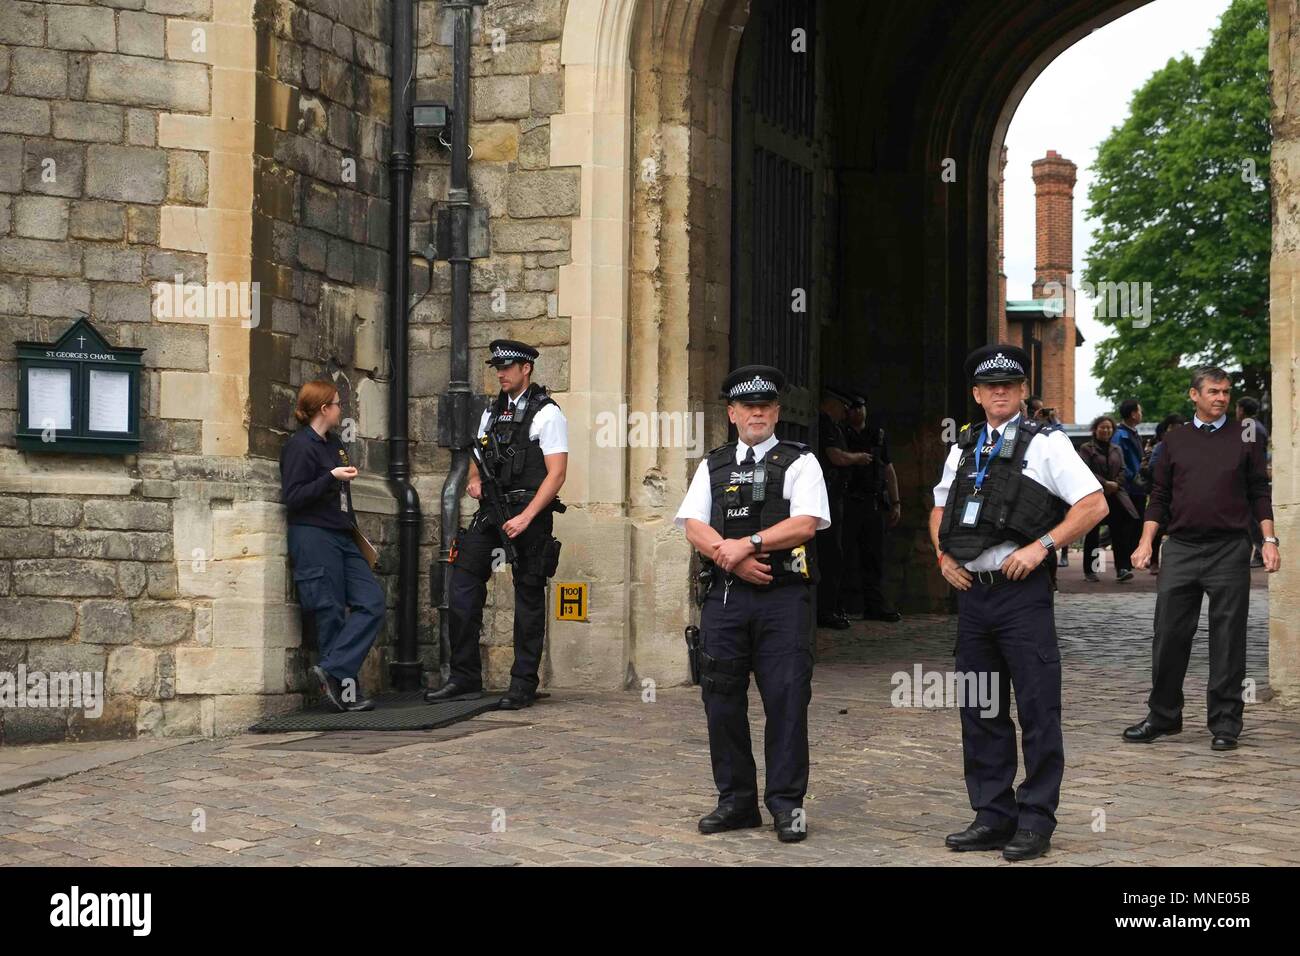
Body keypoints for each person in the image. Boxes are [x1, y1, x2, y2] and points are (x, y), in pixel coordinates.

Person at [931, 344, 1106, 861]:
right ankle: (992, 814)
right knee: (981, 708)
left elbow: (1092, 504)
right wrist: (942, 557)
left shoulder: (1046, 445)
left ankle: (1035, 820)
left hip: (1021, 596)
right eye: (990, 386)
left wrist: (1042, 546)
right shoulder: (963, 448)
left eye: (1010, 384)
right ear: (977, 395)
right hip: (974, 598)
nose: (1000, 392)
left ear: (1023, 391)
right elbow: (939, 506)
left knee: (1036, 707)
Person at [675, 364, 829, 842]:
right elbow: (692, 524)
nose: (756, 412)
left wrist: (751, 542)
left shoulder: (800, 461)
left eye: (765, 405)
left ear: (777, 411)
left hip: (783, 600)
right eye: (747, 406)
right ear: (732, 413)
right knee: (720, 699)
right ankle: (736, 801)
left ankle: (786, 805)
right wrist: (730, 557)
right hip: (726, 597)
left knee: (786, 700)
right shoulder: (713, 464)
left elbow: (807, 522)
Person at [1125, 367, 1280, 752]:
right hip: (1180, 547)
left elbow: (1259, 489)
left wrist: (1269, 540)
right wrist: (1147, 542)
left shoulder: (1245, 434)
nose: (1222, 398)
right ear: (1194, 395)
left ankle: (1226, 723)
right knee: (1169, 635)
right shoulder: (1175, 440)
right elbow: (1158, 495)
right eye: (1213, 391)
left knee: (1228, 638)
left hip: (1229, 549)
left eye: (1227, 392)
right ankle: (1163, 716)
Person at [425, 340, 568, 711]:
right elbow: (479, 458)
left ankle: (522, 682)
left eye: (507, 367)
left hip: (528, 513)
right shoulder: (492, 412)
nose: (501, 373)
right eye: (497, 367)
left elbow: (556, 474)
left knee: (528, 596)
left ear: (527, 369)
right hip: (491, 511)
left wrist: (527, 516)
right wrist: (473, 481)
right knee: (462, 585)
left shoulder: (547, 414)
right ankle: (465, 676)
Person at [280, 379, 386, 712]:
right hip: (313, 535)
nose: (342, 409)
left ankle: (333, 669)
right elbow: (293, 497)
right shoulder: (300, 446)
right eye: (338, 404)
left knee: (372, 601)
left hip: (341, 534)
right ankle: (342, 696)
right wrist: (331, 478)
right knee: (330, 612)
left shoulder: (334, 442)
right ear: (324, 408)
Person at [842, 392, 902, 622]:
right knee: (844, 556)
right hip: (848, 500)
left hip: (872, 501)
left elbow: (888, 469)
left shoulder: (876, 435)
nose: (857, 411)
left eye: (860, 407)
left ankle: (874, 605)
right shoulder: (841, 433)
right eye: (853, 407)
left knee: (873, 556)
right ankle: (841, 605)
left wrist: (895, 502)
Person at [815, 386, 868, 629]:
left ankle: (831, 607)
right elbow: (835, 456)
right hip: (825, 495)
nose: (845, 411)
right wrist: (858, 458)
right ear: (831, 403)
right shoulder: (823, 423)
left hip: (836, 494)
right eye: (842, 406)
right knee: (829, 553)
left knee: (836, 553)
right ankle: (825, 610)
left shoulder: (835, 426)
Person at [1077, 415, 1139, 583]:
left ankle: (1122, 569)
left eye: (1109, 428)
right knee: (1093, 535)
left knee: (1119, 533)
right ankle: (1092, 570)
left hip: (1115, 496)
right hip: (1095, 495)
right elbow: (1085, 470)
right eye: (1102, 427)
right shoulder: (1086, 448)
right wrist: (1105, 483)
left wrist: (1115, 484)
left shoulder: (1116, 449)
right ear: (1095, 429)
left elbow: (1123, 469)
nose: (1106, 430)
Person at [1142, 413, 1187, 573]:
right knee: (1159, 528)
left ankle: (1178, 562)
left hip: (1182, 494)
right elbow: (1153, 467)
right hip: (1163, 493)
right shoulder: (1161, 447)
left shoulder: (1189, 446)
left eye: (1179, 429)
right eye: (1171, 428)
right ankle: (1154, 562)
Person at [1112, 398, 1145, 581]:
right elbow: (1120, 462)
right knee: (1123, 528)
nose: (1141, 414)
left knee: (1136, 526)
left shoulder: (1134, 433)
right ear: (1133, 414)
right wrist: (1132, 475)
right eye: (1139, 411)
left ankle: (1128, 563)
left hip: (1138, 488)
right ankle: (1122, 567)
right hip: (1126, 489)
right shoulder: (1120, 435)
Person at [1236, 397, 1270, 568]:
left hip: (1248, 478)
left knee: (1250, 519)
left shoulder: (1248, 425)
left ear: (1241, 410)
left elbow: (1245, 452)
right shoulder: (1258, 425)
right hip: (1256, 475)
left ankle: (1262, 549)